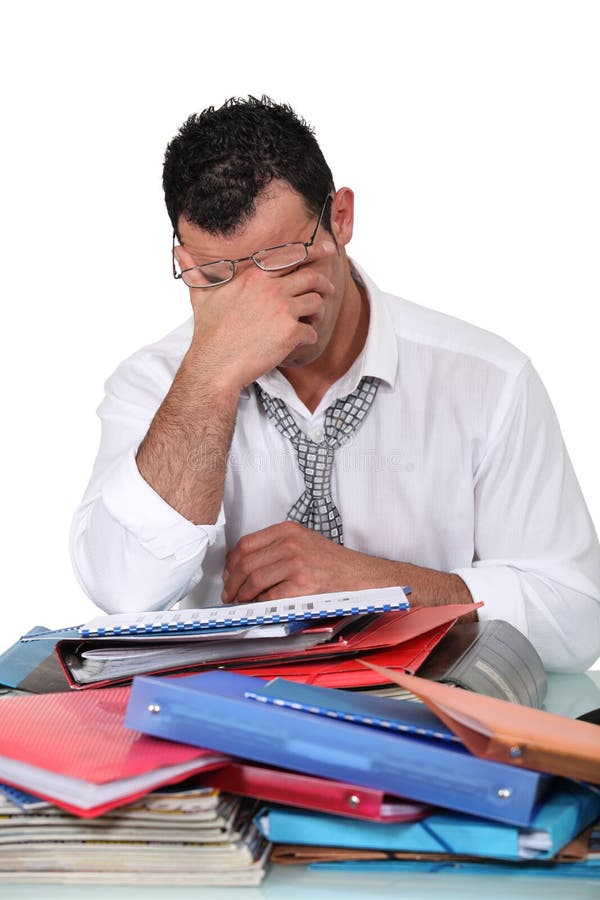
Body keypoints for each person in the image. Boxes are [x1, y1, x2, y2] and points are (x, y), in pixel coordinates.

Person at [70, 96, 600, 673]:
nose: (263, 309)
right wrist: (213, 375)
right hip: (234, 729)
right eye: (220, 278)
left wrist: (380, 587)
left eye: (284, 260)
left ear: (340, 218)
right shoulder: (155, 382)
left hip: (427, 729)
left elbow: (576, 622)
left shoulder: (488, 381)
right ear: (187, 263)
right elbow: (123, 589)